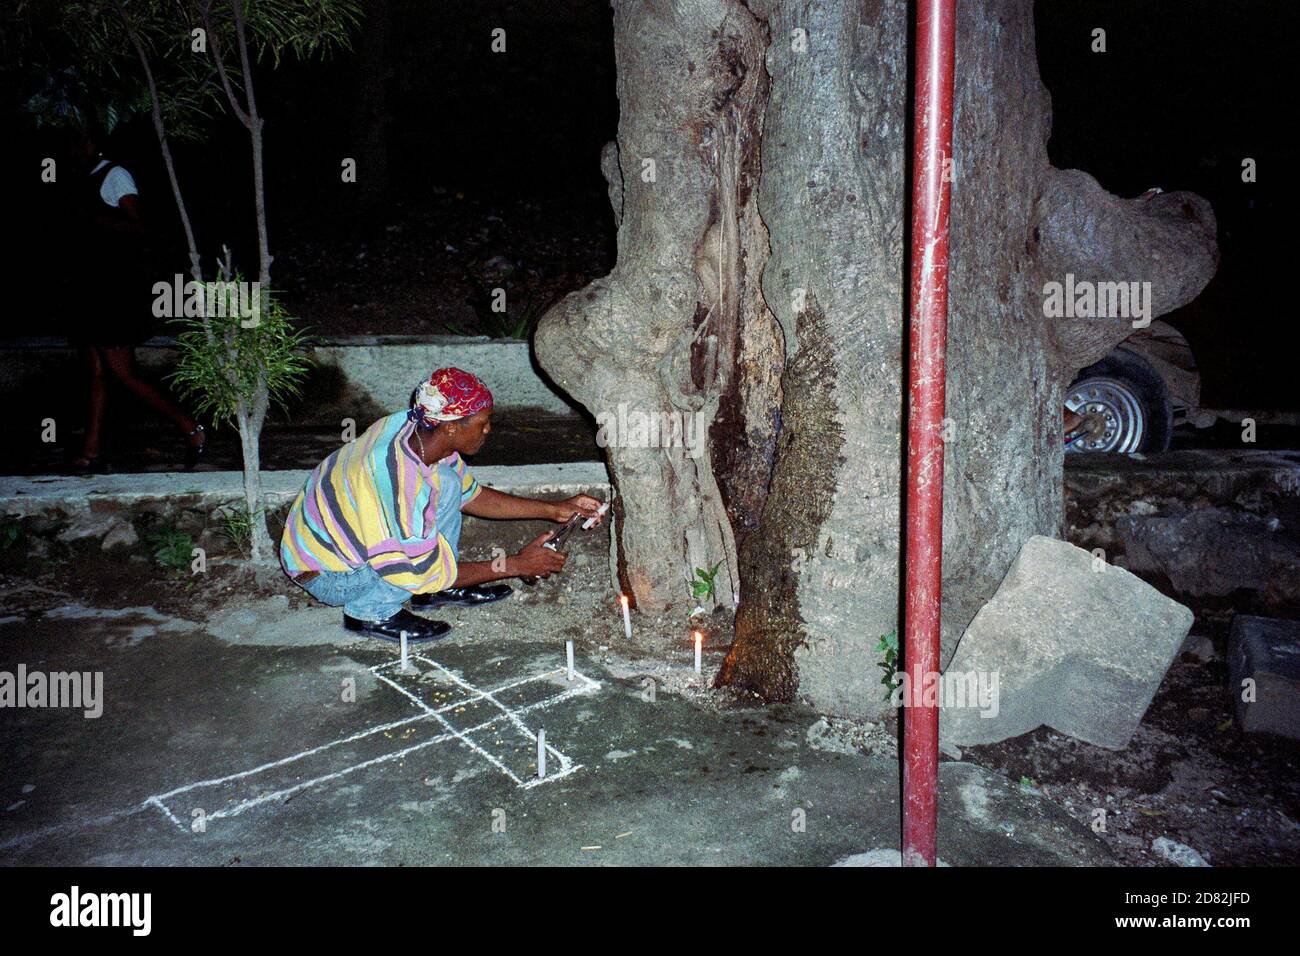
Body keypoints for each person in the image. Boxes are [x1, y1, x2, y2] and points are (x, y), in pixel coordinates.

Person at [280, 367, 604, 642]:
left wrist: (554, 509)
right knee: (418, 568)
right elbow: (419, 569)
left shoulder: (414, 428)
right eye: (483, 422)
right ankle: (371, 614)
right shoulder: (399, 484)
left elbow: (470, 494)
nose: (489, 429)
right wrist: (518, 565)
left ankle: (429, 594)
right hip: (330, 575)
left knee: (447, 484)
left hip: (338, 545)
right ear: (451, 427)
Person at [69, 130, 205, 471]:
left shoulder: (115, 175)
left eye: (81, 140)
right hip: (91, 290)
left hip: (114, 293)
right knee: (98, 373)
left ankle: (190, 427)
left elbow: (142, 227)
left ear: (93, 142)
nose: (76, 147)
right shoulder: (81, 178)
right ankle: (92, 448)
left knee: (124, 374)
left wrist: (100, 223)